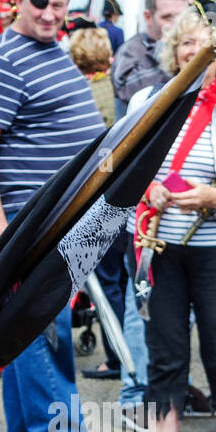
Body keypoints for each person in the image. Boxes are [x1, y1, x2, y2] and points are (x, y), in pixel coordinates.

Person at [0, 0, 116, 432]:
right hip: (33, 222)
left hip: (57, 219)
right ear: (19, 4)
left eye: (59, 4)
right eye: (40, 3)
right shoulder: (5, 59)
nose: (50, 13)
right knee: (38, 326)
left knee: (26, 325)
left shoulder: (47, 50)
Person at [121, 8, 216, 432]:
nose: (192, 52)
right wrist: (148, 187)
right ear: (173, 52)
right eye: (184, 44)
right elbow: (120, 170)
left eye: (203, 44)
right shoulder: (150, 99)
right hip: (157, 250)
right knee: (164, 360)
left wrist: (210, 197)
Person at [68, 26, 126, 379]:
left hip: (97, 200)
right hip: (127, 196)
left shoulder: (81, 94)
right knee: (120, 279)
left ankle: (115, 358)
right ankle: (124, 353)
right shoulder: (116, 90)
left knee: (105, 283)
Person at [111, 0, 188, 115]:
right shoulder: (131, 50)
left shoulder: (188, 47)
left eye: (182, 17)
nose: (177, 25)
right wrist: (164, 51)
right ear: (148, 17)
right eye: (167, 17)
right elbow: (131, 94)